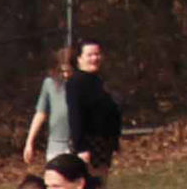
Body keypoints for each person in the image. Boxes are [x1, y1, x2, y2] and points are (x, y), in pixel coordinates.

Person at [20, 41, 123, 172]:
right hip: (59, 143)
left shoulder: (90, 82)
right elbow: (42, 113)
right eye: (62, 71)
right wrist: (29, 142)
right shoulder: (55, 84)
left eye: (69, 70)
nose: (66, 75)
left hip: (83, 144)